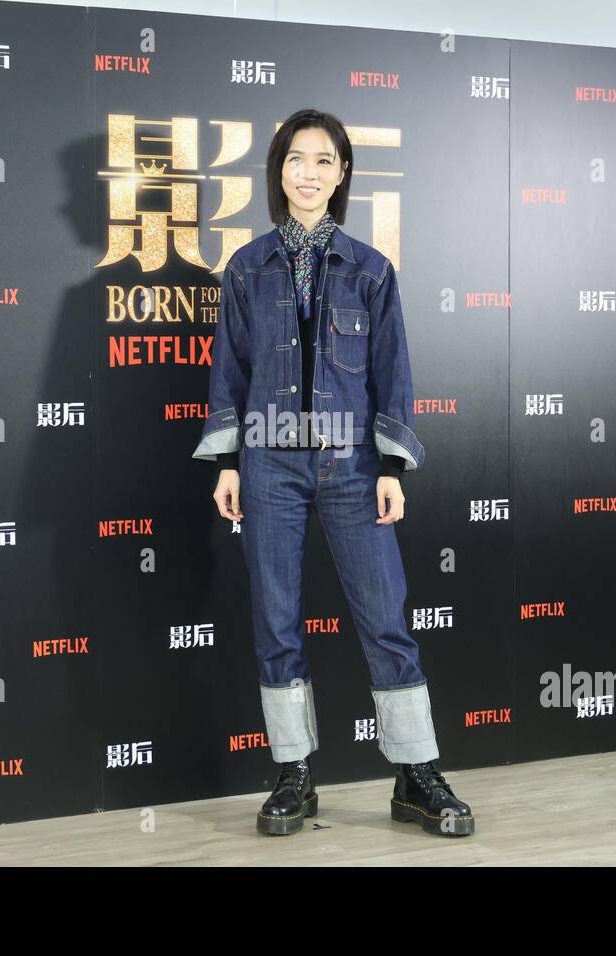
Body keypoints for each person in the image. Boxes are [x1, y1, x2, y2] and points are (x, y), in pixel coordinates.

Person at [192, 109, 474, 838]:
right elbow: (229, 371)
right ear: (277, 171)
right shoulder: (246, 268)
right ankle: (294, 773)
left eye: (323, 160)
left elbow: (392, 375)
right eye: (295, 159)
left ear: (343, 173)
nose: (308, 173)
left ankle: (415, 773)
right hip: (268, 461)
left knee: (385, 618)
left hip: (352, 464)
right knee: (276, 621)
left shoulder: (372, 269)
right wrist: (227, 461)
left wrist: (390, 468)